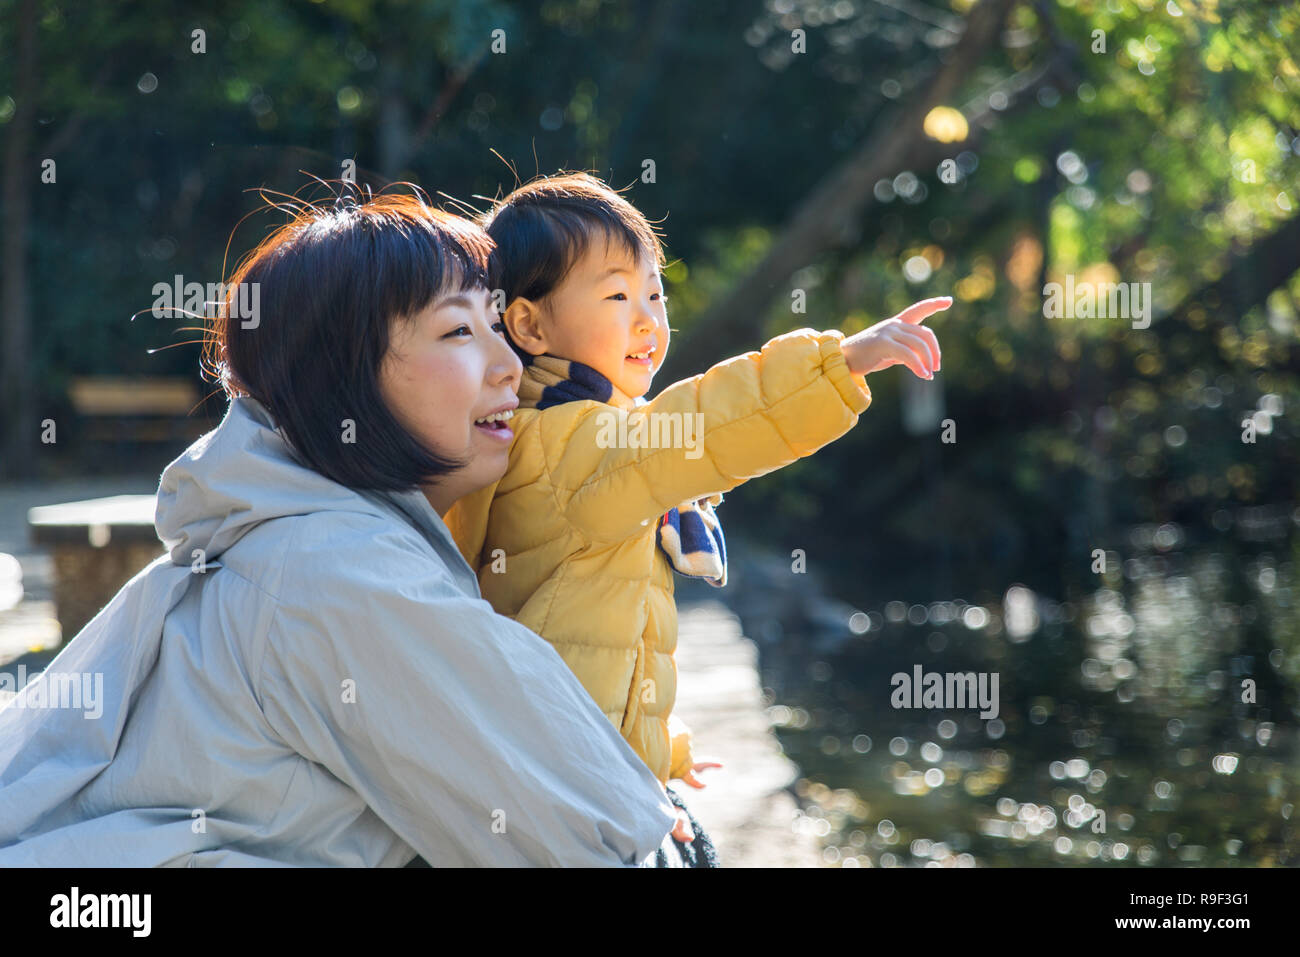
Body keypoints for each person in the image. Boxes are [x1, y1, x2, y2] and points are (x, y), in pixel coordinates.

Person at [0, 186, 679, 867]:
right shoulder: (342, 572)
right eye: (458, 331)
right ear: (346, 379)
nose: (508, 364)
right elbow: (600, 842)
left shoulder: (277, 535)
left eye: (498, 326)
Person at [443, 171, 949, 865]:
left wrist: (664, 748)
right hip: (567, 792)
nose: (649, 317)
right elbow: (706, 423)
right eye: (619, 295)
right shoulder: (568, 444)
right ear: (528, 322)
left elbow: (599, 641)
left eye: (655, 292)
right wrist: (840, 362)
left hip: (578, 772)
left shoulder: (580, 432)